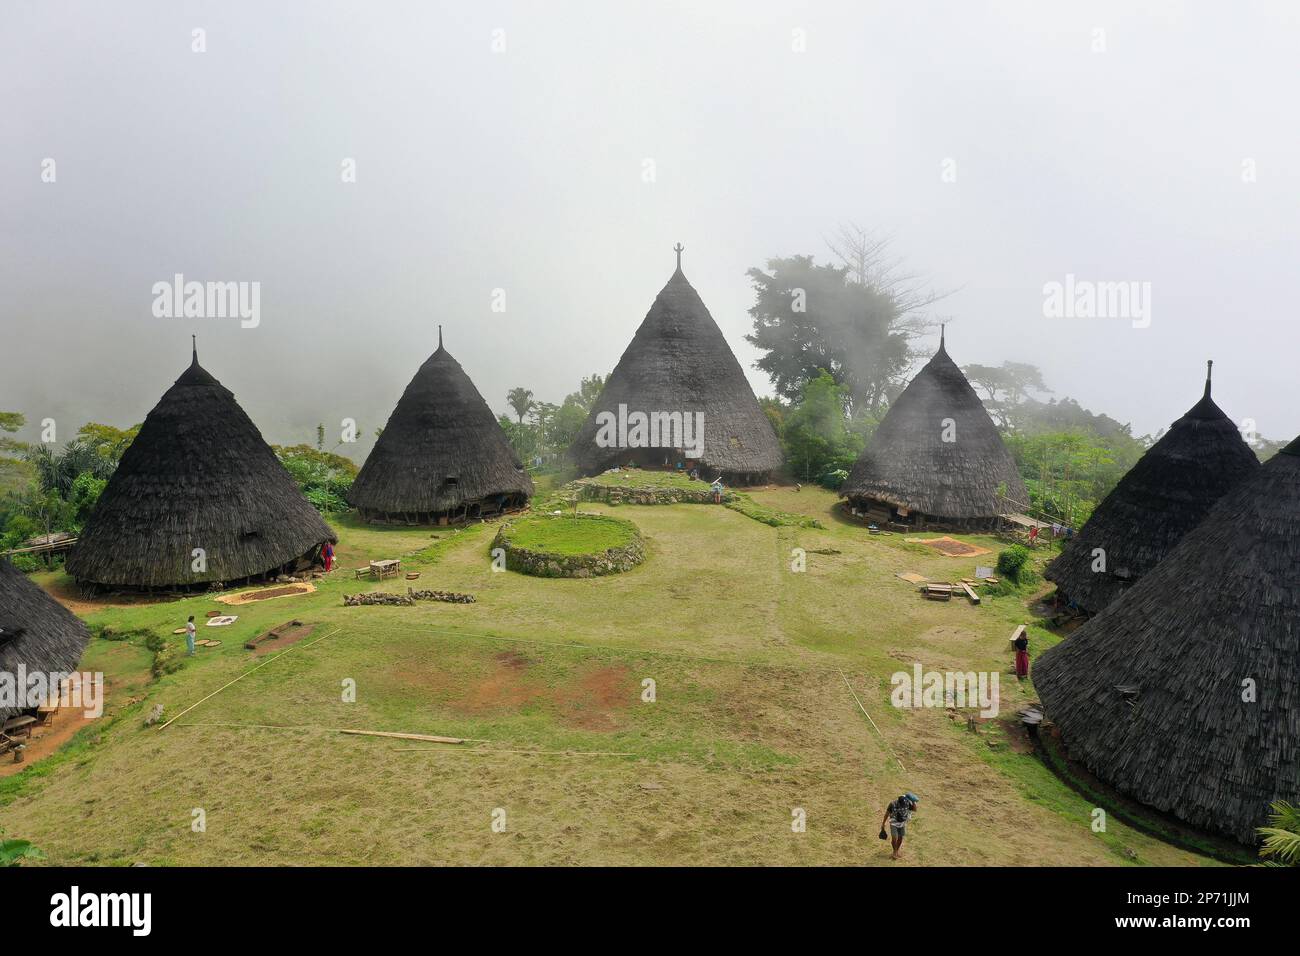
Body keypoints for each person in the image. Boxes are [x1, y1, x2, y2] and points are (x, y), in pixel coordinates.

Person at [880, 792, 919, 860]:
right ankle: (894, 852)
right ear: (898, 803)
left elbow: (915, 809)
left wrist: (913, 801)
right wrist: (883, 823)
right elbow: (886, 814)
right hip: (893, 823)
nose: (904, 807)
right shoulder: (892, 804)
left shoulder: (907, 803)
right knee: (894, 838)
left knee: (900, 838)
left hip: (902, 823)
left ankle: (896, 851)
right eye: (902, 806)